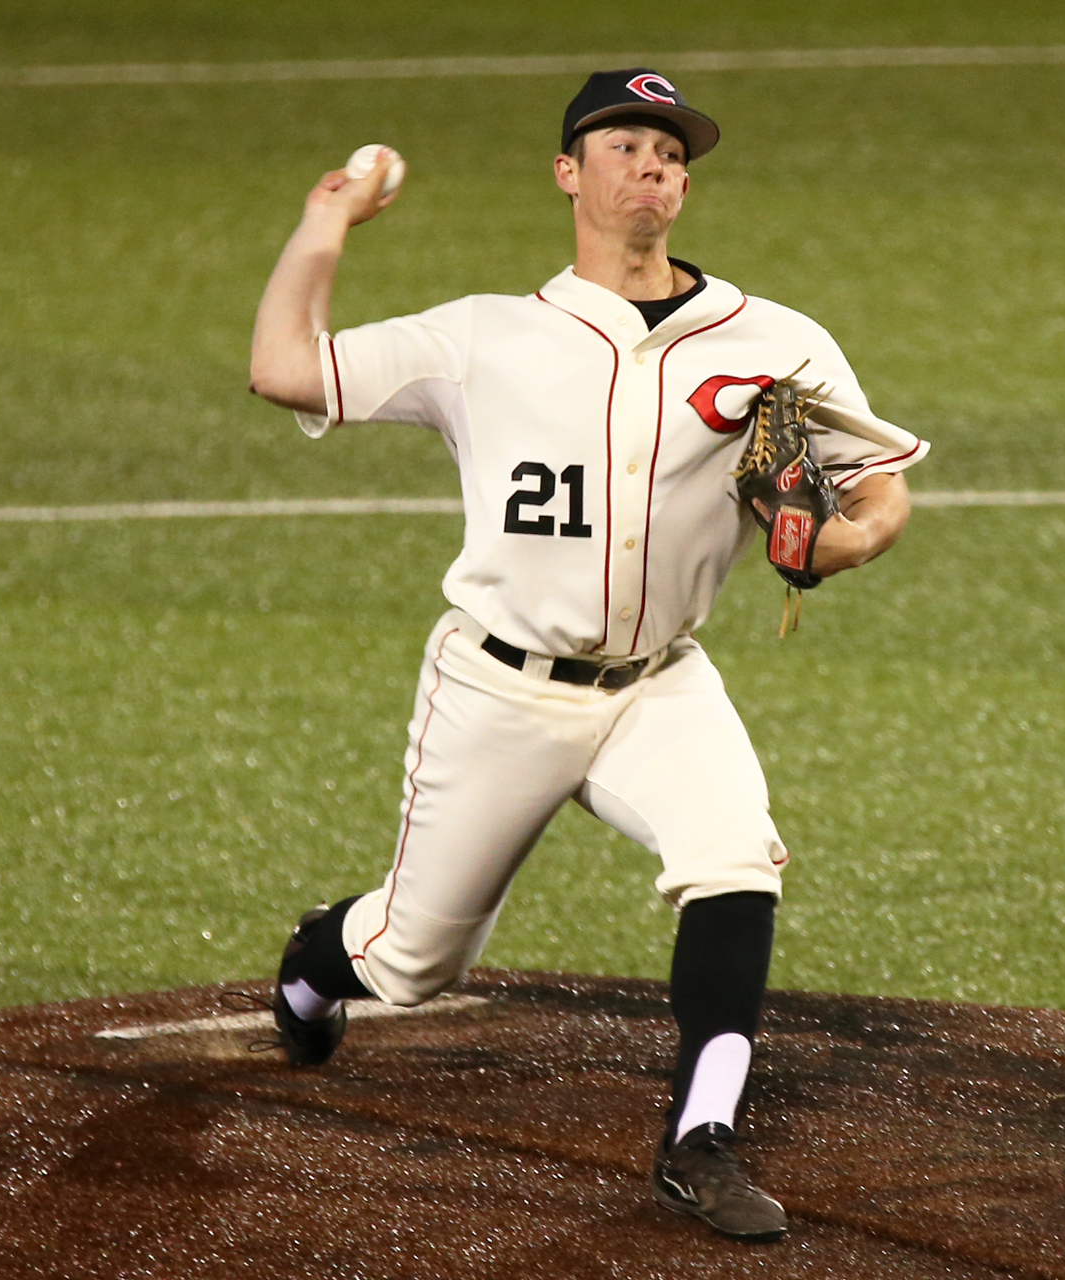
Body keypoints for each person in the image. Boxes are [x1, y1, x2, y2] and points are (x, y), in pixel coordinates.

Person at [247, 68, 926, 1242]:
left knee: (735, 860)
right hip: (497, 689)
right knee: (412, 963)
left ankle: (698, 1137)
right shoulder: (484, 338)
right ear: (569, 171)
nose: (655, 165)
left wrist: (839, 546)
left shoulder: (774, 340)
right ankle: (315, 964)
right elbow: (284, 368)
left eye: (673, 152)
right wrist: (324, 222)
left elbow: (881, 493)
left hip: (661, 682)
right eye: (627, 144)